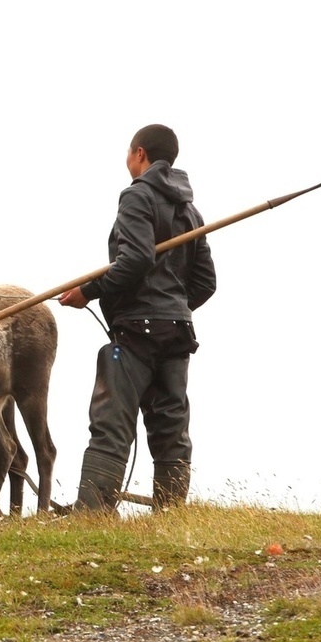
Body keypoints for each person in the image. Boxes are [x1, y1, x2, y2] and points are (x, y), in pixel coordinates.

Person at [59, 124, 217, 513]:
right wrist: (173, 309)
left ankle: (93, 514)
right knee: (170, 424)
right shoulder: (190, 210)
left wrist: (88, 292)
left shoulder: (137, 196)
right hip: (177, 330)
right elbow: (206, 282)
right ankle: (170, 514)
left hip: (137, 330)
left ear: (140, 154)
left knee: (112, 419)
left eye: (128, 153)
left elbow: (136, 259)